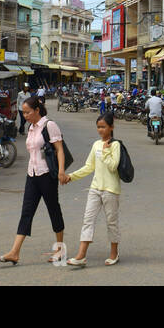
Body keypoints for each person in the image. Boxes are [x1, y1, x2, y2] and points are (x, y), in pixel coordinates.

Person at [0, 95, 67, 266]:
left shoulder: (49, 125)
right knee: (26, 212)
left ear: (37, 110)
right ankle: (14, 252)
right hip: (32, 174)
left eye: (28, 112)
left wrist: (61, 171)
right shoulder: (32, 128)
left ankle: (60, 249)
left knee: (53, 210)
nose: (25, 115)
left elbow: (60, 150)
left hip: (47, 175)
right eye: (24, 113)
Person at [63, 111, 122, 267]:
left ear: (111, 127)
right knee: (88, 220)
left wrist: (106, 150)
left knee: (111, 222)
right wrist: (71, 176)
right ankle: (81, 255)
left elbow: (113, 166)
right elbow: (89, 166)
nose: (100, 130)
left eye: (103, 127)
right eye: (98, 127)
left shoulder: (115, 145)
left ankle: (114, 253)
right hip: (95, 188)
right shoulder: (96, 144)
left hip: (110, 190)